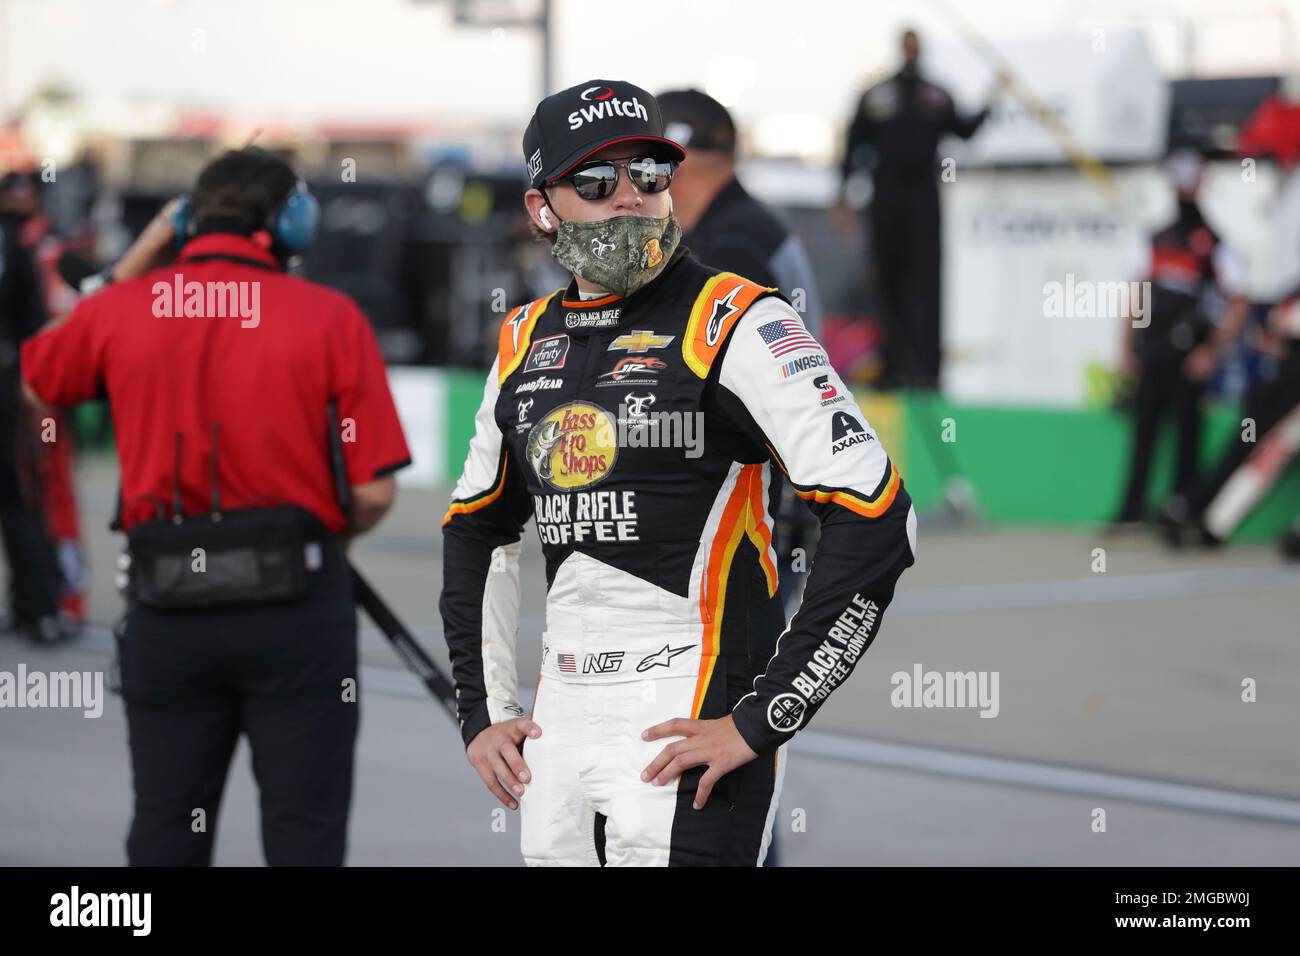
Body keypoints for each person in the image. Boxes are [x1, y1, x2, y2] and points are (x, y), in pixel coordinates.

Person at [440, 79, 916, 867]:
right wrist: (482, 710)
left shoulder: (741, 318)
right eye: (597, 181)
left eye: (649, 174)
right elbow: (475, 528)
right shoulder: (523, 339)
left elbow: (880, 514)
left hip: (695, 720)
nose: (629, 196)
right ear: (541, 209)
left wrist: (768, 716)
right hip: (558, 728)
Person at [21, 147, 411, 866]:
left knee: (167, 829)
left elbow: (40, 377)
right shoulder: (330, 317)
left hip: (167, 612)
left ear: (183, 222)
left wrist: (133, 261)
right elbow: (373, 490)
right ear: (287, 221)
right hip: (298, 606)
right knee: (305, 834)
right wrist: (323, 537)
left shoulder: (119, 309)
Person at [835, 29, 998, 390]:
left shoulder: (936, 94)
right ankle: (891, 366)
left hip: (924, 196)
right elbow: (853, 143)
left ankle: (926, 370)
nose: (911, 49)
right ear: (900, 47)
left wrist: (991, 100)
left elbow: (964, 129)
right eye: (906, 42)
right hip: (886, 196)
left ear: (920, 48)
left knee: (926, 282)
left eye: (915, 43)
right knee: (887, 279)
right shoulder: (878, 94)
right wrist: (844, 192)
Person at [1111, 150, 1250, 529]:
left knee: (1189, 435)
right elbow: (1135, 295)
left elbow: (1238, 302)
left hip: (1191, 353)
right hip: (1153, 350)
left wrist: (1211, 351)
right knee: (1144, 433)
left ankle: (1179, 511)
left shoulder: (1215, 244)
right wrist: (1125, 349)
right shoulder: (1155, 239)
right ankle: (1131, 511)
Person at [0, 172, 64, 641]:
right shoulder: (17, 244)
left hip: (9, 382)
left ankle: (37, 604)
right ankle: (36, 606)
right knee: (15, 496)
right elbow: (35, 324)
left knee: (15, 495)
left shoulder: (20, 246)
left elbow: (35, 324)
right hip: (11, 382)